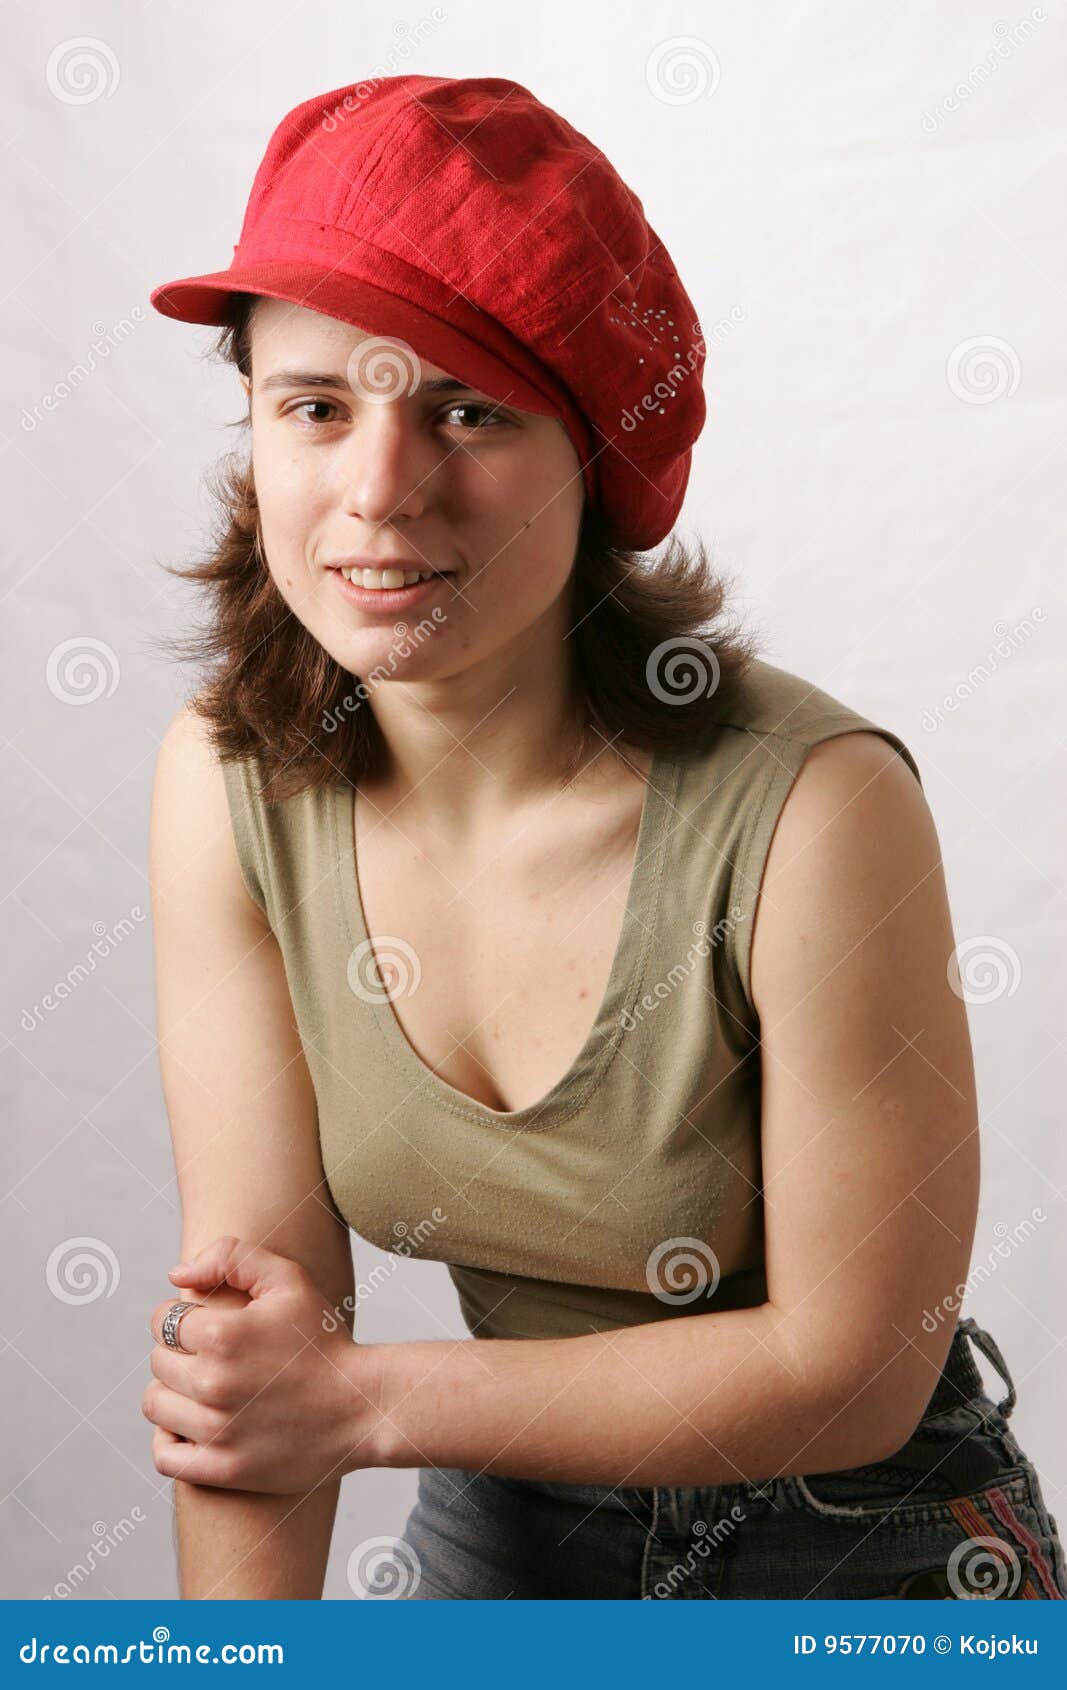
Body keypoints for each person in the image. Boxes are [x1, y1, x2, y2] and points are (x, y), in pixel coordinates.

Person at [142, 74, 1065, 1601]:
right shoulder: (229, 783)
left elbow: (856, 1367)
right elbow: (260, 1342)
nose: (378, 490)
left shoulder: (814, 807)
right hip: (508, 1531)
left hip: (863, 1548)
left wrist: (368, 1400)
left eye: (466, 411)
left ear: (595, 464)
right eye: (317, 406)